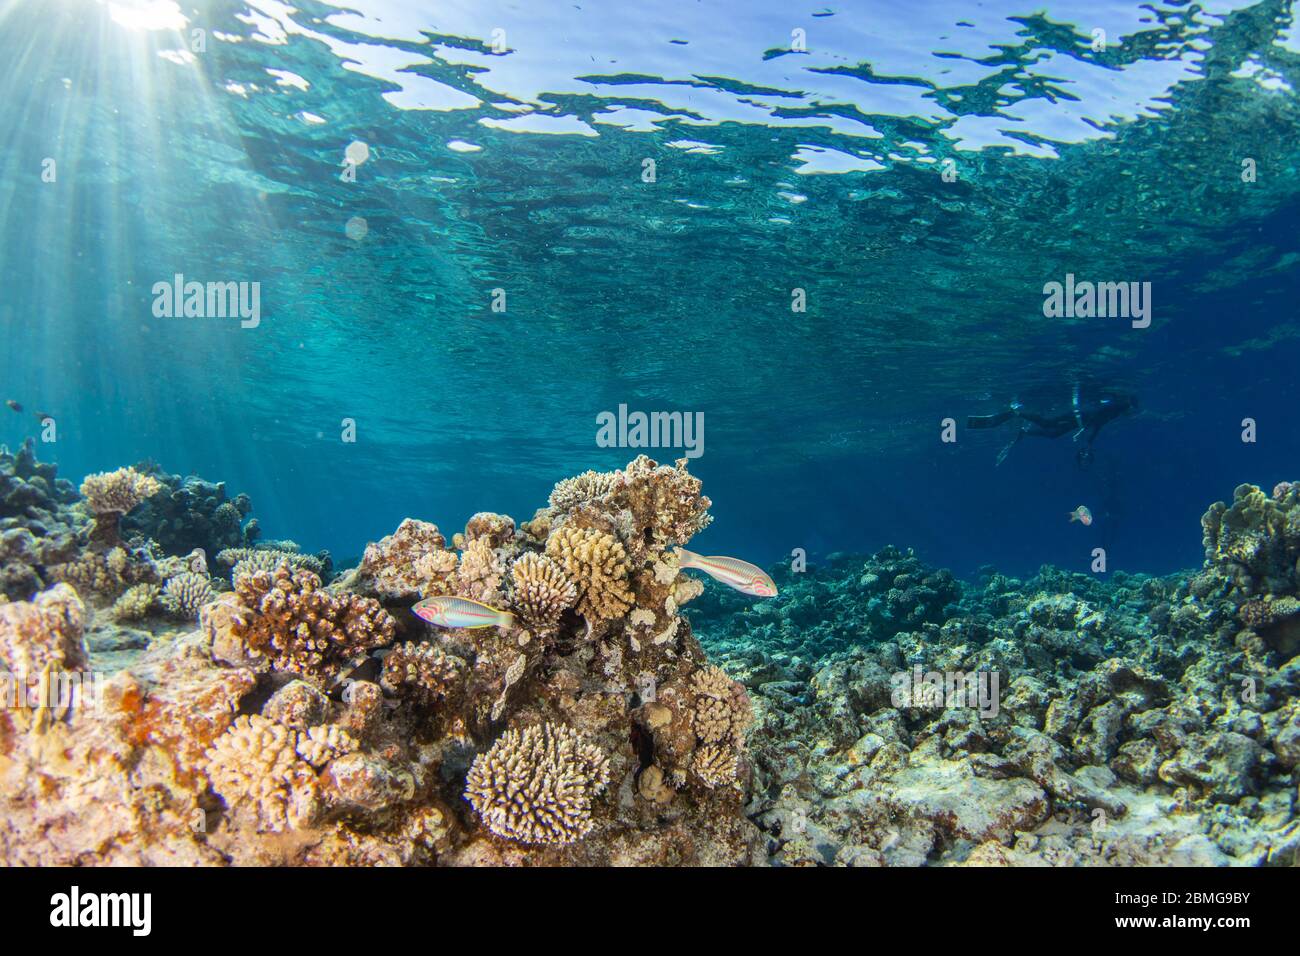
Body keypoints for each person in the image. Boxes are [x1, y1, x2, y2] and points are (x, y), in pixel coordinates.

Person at [967, 386, 1138, 467]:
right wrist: (1083, 431)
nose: (1132, 414)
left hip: (1079, 422)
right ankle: (1016, 412)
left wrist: (1089, 442)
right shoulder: (1115, 407)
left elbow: (1099, 425)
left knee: (1053, 434)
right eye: (1133, 411)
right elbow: (1096, 416)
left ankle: (1025, 431)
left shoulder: (1116, 412)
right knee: (1047, 423)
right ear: (1130, 406)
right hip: (1078, 416)